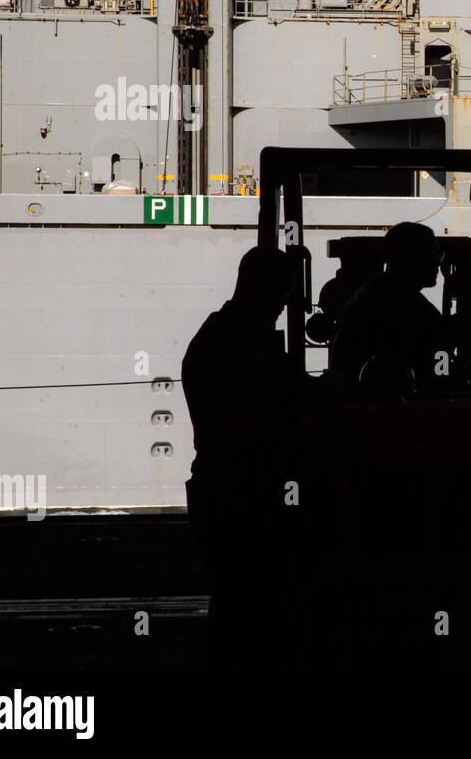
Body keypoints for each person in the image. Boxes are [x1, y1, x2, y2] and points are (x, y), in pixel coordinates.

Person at [183, 244, 305, 668]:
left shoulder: (235, 337)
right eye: (279, 293)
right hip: (236, 495)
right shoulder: (228, 344)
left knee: (243, 608)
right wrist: (292, 437)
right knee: (245, 607)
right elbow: (226, 429)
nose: (284, 303)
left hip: (233, 491)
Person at [328, 221, 450, 397]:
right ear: (409, 257)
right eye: (431, 255)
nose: (437, 263)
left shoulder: (371, 294)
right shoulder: (409, 306)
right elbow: (439, 357)